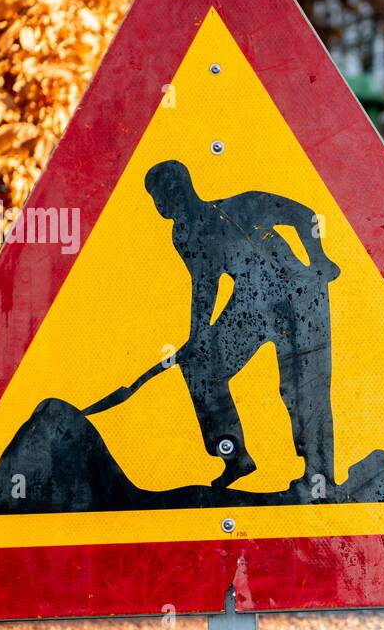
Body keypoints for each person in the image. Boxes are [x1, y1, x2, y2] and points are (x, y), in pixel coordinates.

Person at [144, 160, 341, 489]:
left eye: (159, 196)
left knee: (302, 389)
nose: (159, 206)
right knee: (200, 367)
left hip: (299, 294)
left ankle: (319, 478)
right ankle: (235, 456)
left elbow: (304, 214)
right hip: (252, 301)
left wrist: (319, 259)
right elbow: (204, 284)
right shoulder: (184, 235)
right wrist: (198, 337)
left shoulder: (243, 206)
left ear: (178, 189)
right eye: (155, 200)